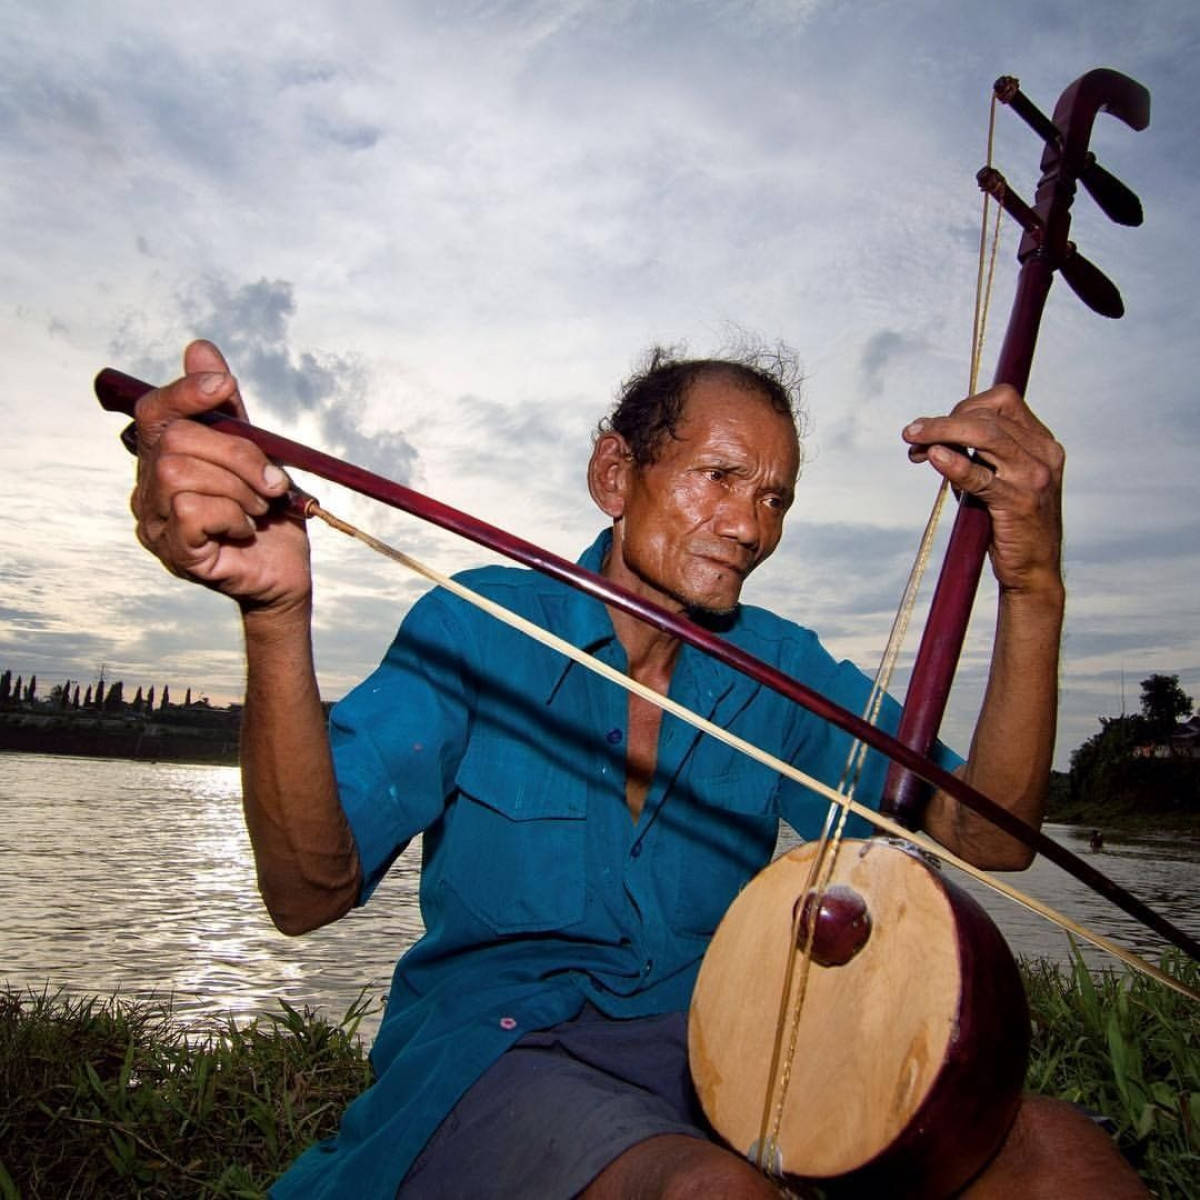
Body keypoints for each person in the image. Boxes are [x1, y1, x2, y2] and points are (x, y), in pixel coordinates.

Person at [128, 339, 1145, 1198]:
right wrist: (276, 616)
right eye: (720, 477)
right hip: (503, 1057)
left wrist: (1032, 582)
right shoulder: (475, 625)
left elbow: (988, 834)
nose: (751, 527)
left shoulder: (780, 668)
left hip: (718, 1056)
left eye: (776, 498)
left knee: (1062, 1155)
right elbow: (307, 892)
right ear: (616, 475)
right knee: (703, 1191)